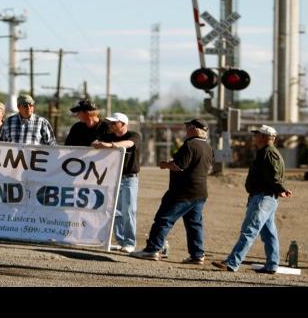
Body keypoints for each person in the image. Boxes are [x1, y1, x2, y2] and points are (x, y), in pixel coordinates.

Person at [130, 119, 214, 263]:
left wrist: (165, 164)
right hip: (200, 192)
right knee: (194, 225)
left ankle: (152, 249)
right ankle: (197, 255)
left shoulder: (190, 144)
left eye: (188, 127)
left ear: (194, 129)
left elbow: (179, 166)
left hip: (182, 193)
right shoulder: (207, 147)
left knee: (163, 220)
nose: (186, 130)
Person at [212, 125, 293, 274]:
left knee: (249, 230)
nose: (254, 137)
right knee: (269, 234)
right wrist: (279, 189)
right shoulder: (267, 152)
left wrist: (281, 188)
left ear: (264, 137)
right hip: (267, 198)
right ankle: (272, 265)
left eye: (257, 134)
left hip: (263, 198)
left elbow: (274, 175)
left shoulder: (268, 153)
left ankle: (232, 262)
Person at [92, 112, 141, 253]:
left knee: (129, 210)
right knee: (116, 211)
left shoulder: (134, 135)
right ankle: (120, 240)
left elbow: (129, 144)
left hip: (129, 178)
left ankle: (130, 242)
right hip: (113, 178)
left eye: (114, 123)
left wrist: (109, 145)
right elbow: (95, 143)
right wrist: (98, 144)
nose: (111, 125)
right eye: (110, 123)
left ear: (123, 124)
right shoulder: (107, 136)